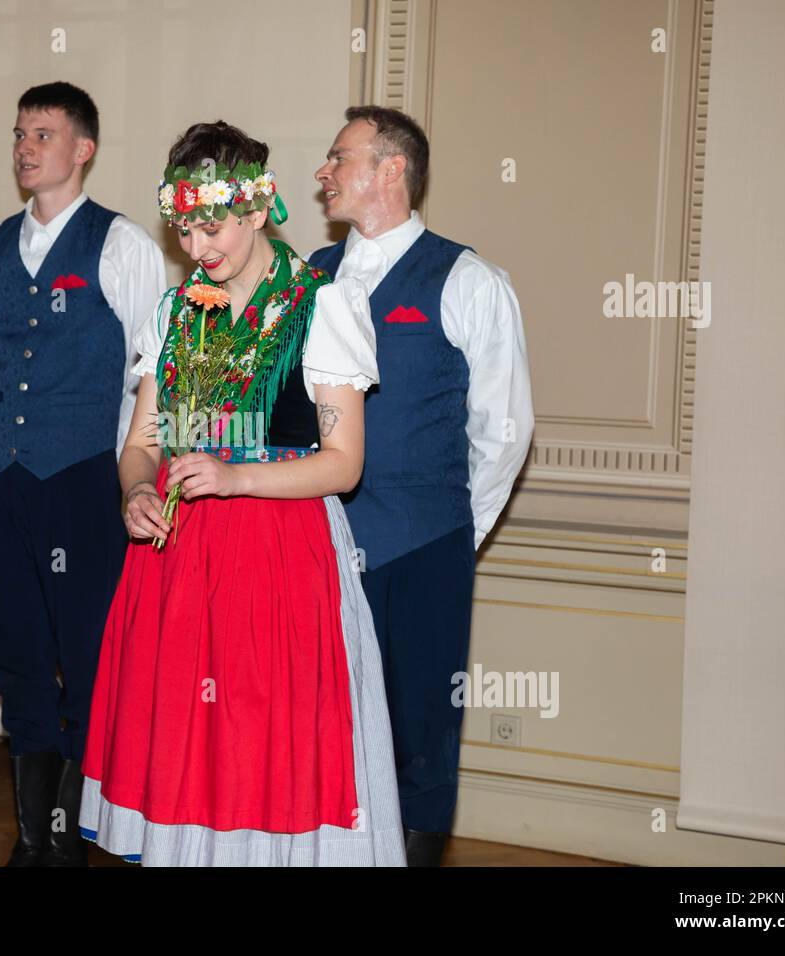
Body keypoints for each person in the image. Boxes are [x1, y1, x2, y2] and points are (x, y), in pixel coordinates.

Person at [79, 120, 405, 866]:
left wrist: (235, 479)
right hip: (177, 562)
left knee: (261, 752)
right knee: (184, 756)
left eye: (212, 227)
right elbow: (142, 444)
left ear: (259, 209)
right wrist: (136, 493)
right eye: (184, 230)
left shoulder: (322, 306)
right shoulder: (174, 314)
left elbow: (343, 463)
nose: (196, 248)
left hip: (279, 558)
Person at [311, 106, 534, 865]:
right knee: (321, 724)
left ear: (391, 170)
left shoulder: (467, 280)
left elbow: (504, 429)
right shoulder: (306, 279)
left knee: (418, 736)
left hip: (422, 545)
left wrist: (448, 534)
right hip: (316, 548)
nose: (325, 172)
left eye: (340, 157)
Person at [0, 81, 165, 866]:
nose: (25, 146)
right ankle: (28, 838)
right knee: (16, 654)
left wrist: (128, 476)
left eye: (43, 134)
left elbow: (150, 372)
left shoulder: (123, 247)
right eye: (19, 132)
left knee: (86, 658)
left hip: (86, 478)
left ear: (82, 149)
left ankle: (68, 836)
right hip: (2, 478)